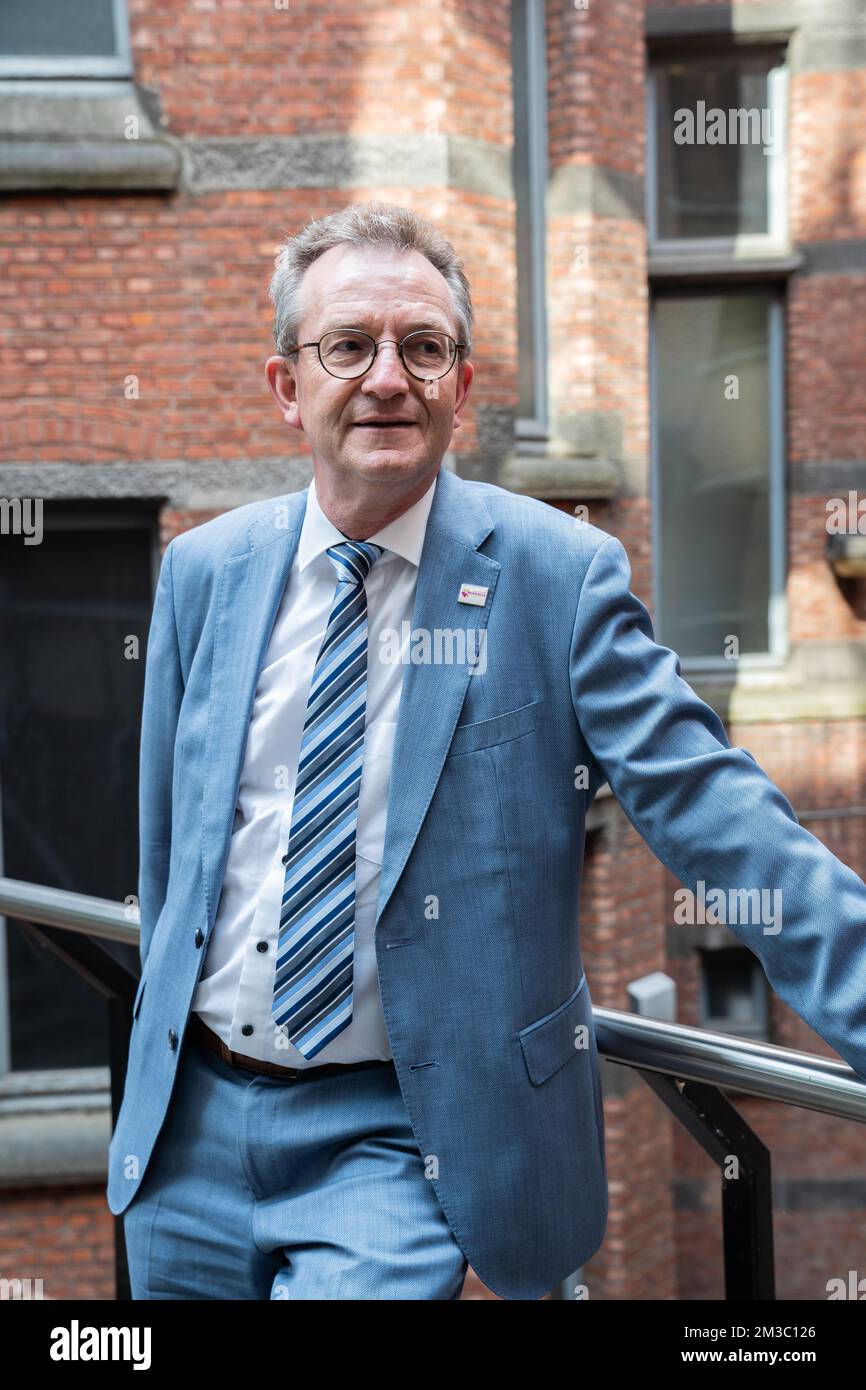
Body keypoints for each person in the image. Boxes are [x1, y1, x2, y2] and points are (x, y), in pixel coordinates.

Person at [107, 200, 866, 1300]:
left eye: (422, 348)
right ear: (286, 386)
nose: (385, 378)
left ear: (460, 389)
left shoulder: (557, 580)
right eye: (347, 346)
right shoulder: (206, 571)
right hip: (188, 1134)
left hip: (399, 1139)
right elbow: (169, 852)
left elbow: (725, 825)